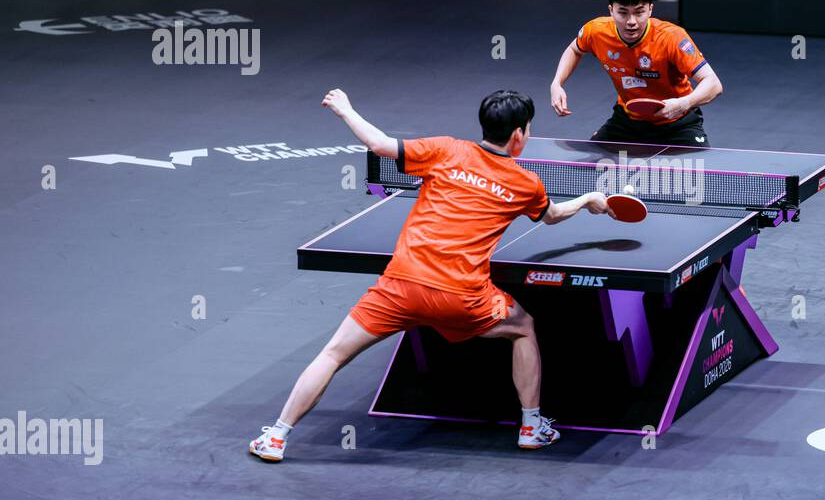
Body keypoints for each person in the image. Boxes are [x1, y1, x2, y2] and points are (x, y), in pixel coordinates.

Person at [248, 89, 612, 461]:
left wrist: (346, 110)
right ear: (519, 135)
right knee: (523, 326)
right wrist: (588, 200)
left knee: (333, 354)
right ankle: (532, 426)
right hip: (462, 298)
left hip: (400, 288)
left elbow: (381, 144)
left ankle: (277, 435)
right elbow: (551, 216)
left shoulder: (444, 149)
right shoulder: (525, 184)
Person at [550, 0, 723, 146]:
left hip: (678, 123)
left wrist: (683, 104)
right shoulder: (595, 31)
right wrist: (557, 83)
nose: (631, 21)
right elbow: (574, 49)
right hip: (628, 121)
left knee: (695, 172)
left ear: (650, 10)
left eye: (639, 12)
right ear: (611, 10)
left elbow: (713, 84)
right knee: (596, 168)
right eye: (623, 12)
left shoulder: (672, 37)